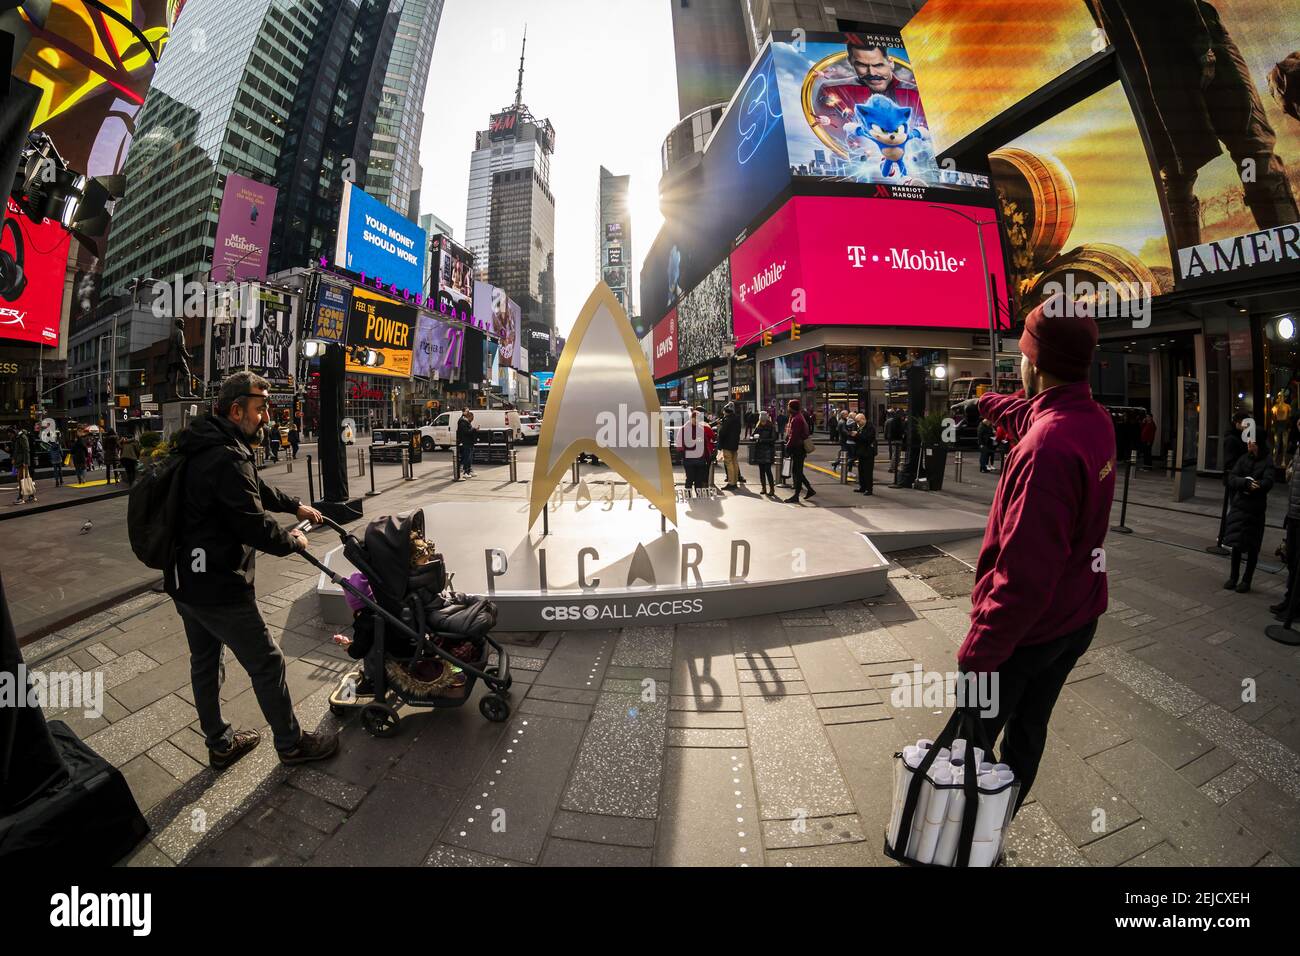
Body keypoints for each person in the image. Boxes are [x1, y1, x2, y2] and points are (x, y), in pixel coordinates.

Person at [957, 296, 1115, 813]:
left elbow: (1023, 577)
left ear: (1034, 361)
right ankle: (998, 822)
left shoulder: (1045, 450)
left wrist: (977, 654)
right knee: (1029, 731)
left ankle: (963, 837)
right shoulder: (1092, 420)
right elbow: (1032, 413)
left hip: (1030, 632)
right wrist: (987, 402)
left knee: (966, 750)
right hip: (1077, 618)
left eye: (1024, 352)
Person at [166, 371, 338, 769]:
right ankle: (292, 744)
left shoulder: (204, 442)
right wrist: (293, 539)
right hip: (218, 585)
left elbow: (253, 488)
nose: (265, 418)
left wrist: (294, 505)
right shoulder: (227, 456)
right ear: (236, 409)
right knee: (267, 660)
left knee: (205, 661)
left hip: (183, 579)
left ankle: (220, 744)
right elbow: (252, 524)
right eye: (260, 409)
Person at [1222, 436, 1274, 593]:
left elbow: (1269, 481)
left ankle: (1246, 580)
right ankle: (1233, 577)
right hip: (1240, 505)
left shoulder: (1267, 460)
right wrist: (1244, 482)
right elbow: (1231, 478)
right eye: (1248, 442)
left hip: (1255, 508)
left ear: (1258, 444)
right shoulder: (1243, 458)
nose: (1249, 445)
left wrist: (1257, 486)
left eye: (1252, 443)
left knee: (1252, 546)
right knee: (1236, 544)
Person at [783, 399, 816, 503]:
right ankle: (808, 490)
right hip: (798, 448)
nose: (787, 407)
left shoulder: (796, 419)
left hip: (798, 449)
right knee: (797, 471)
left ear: (792, 407)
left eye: (789, 406)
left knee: (797, 472)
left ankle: (797, 495)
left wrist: (787, 447)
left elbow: (794, 436)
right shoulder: (797, 416)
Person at [677, 410, 715, 493]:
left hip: (700, 459)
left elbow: (705, 444)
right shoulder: (683, 429)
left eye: (698, 419)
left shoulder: (701, 429)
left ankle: (699, 498)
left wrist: (708, 456)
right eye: (694, 418)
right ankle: (689, 496)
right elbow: (679, 444)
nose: (696, 420)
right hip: (688, 459)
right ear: (691, 418)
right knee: (690, 478)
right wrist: (683, 454)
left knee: (699, 480)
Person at [750, 411, 778, 497]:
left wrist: (762, 440)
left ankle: (772, 489)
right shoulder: (758, 426)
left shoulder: (771, 426)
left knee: (768, 470)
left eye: (763, 420)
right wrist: (753, 438)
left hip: (768, 450)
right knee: (761, 471)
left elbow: (773, 438)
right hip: (759, 450)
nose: (762, 422)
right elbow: (752, 435)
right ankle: (763, 488)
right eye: (761, 420)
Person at [717, 403, 742, 491]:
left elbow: (722, 433)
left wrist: (720, 427)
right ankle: (735, 481)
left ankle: (731, 482)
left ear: (725, 412)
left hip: (727, 444)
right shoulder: (736, 419)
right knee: (734, 462)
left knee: (729, 463)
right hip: (734, 444)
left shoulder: (727, 420)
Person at [855, 412, 877, 495]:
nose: (857, 423)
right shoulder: (860, 427)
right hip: (861, 452)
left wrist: (857, 435)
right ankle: (862, 487)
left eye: (858, 421)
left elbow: (867, 439)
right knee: (861, 471)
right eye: (856, 422)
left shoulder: (870, 427)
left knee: (868, 472)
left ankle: (869, 489)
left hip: (868, 453)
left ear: (863, 419)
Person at [11, 427, 33, 504]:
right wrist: (14, 458)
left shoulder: (22, 437)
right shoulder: (18, 438)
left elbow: (26, 450)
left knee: (21, 479)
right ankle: (31, 495)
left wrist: (26, 463)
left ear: (15, 432)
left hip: (22, 463)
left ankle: (21, 498)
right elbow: (17, 450)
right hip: (20, 462)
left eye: (11, 434)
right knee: (25, 479)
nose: (10, 436)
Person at [456, 411, 478, 478]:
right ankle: (465, 472)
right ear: (469, 416)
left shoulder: (466, 422)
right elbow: (466, 432)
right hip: (466, 442)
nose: (473, 419)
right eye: (472, 417)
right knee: (467, 457)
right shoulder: (463, 423)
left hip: (469, 442)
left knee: (469, 457)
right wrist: (474, 429)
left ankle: (468, 471)